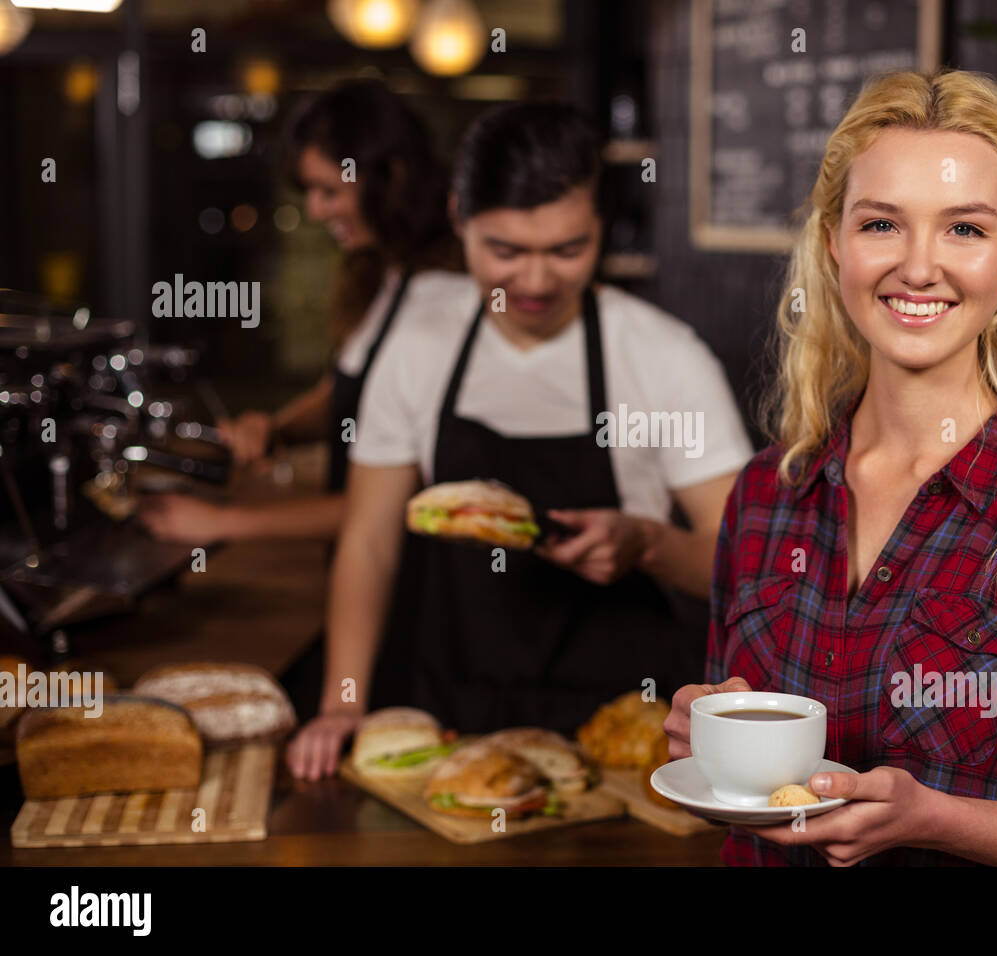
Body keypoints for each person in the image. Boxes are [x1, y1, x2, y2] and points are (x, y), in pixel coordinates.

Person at [665, 70, 997, 867]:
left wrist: (930, 817)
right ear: (834, 241)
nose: (918, 266)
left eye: (964, 229)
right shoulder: (766, 493)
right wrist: (714, 735)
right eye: (882, 225)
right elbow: (749, 797)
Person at [287, 102, 753, 779]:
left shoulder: (662, 356)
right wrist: (341, 703)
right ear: (459, 220)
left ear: (600, 227)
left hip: (620, 735)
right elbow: (369, 540)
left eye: (568, 250)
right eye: (505, 251)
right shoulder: (417, 349)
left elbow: (742, 564)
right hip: (451, 718)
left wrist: (648, 543)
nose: (535, 282)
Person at [138, 78, 455, 544]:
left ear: (392, 177)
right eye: (309, 191)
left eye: (329, 191)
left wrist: (221, 524)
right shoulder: (385, 273)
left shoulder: (444, 297)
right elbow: (353, 391)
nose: (315, 210)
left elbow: (410, 501)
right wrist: (278, 428)